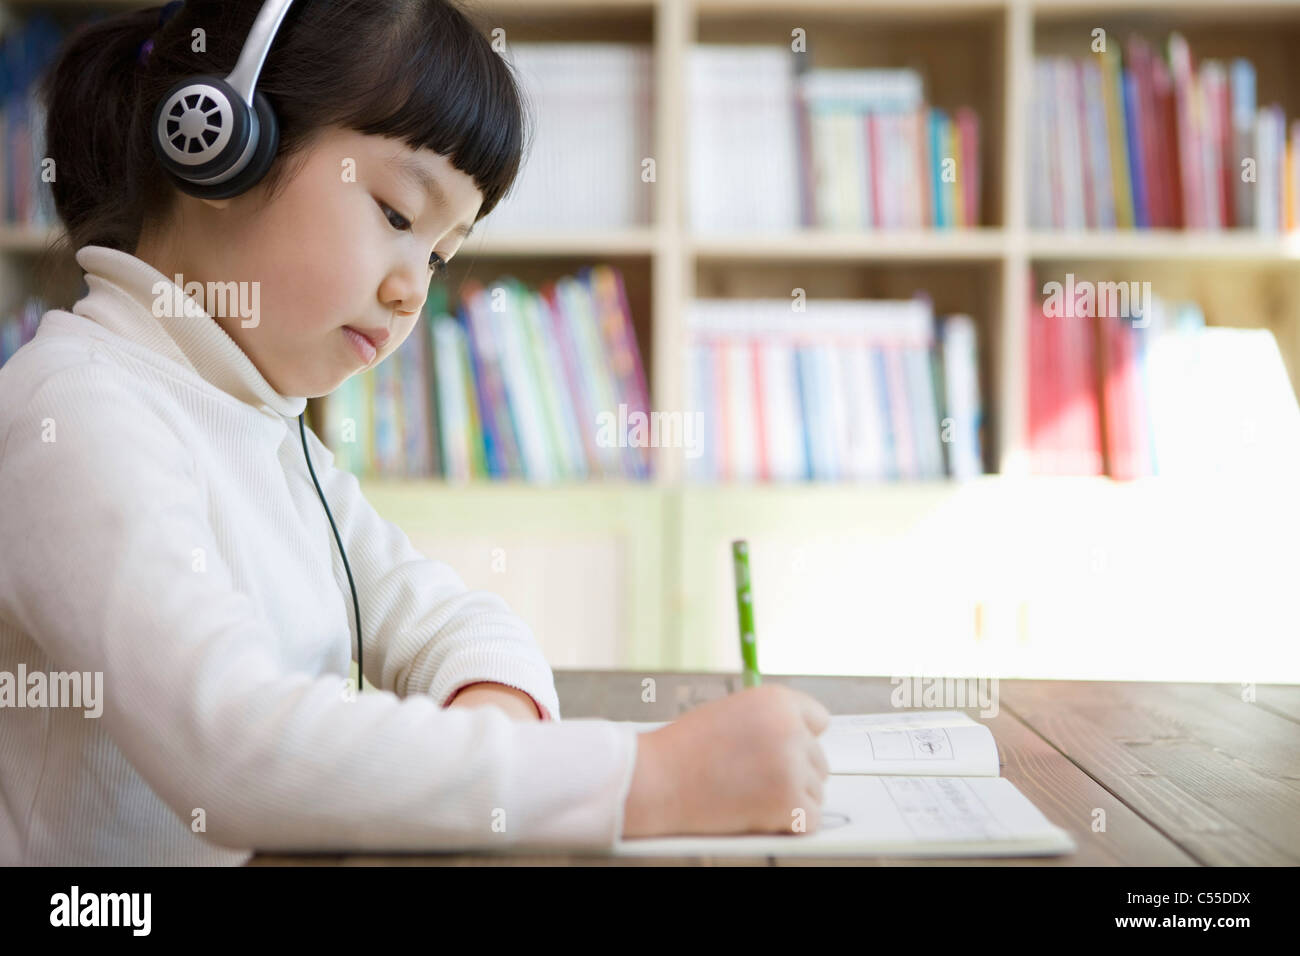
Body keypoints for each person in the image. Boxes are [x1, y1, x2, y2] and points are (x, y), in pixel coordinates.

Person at [0, 0, 829, 866]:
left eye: (439, 256)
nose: (411, 293)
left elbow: (444, 619)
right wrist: (647, 779)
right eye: (398, 214)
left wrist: (494, 729)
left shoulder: (267, 432)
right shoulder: (77, 413)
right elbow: (231, 753)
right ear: (214, 147)